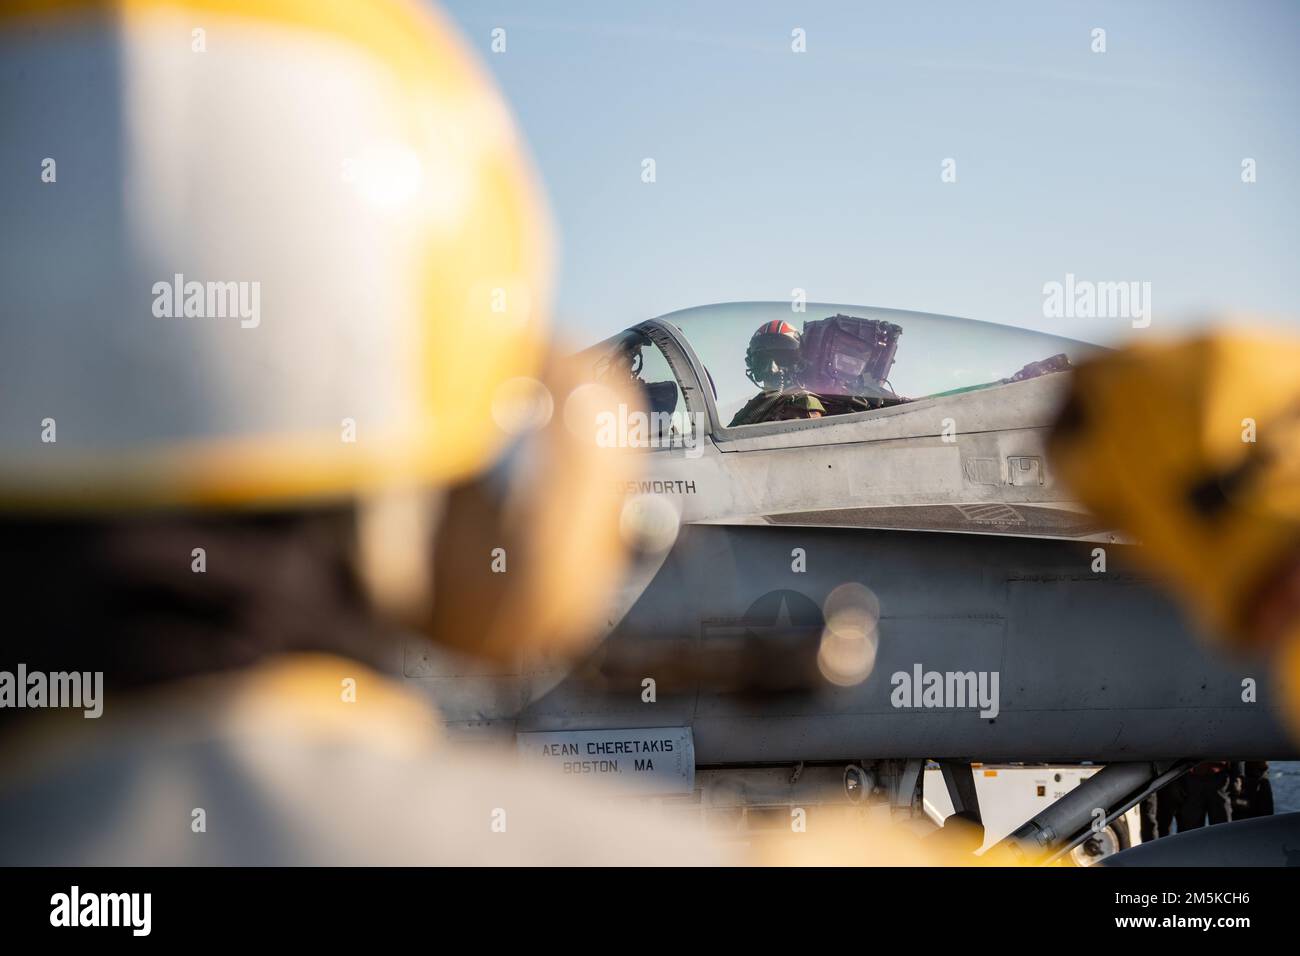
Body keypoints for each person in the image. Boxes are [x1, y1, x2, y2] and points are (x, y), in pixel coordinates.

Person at [728, 320, 827, 426]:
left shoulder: (803, 404)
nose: (772, 368)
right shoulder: (756, 404)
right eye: (763, 359)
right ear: (752, 362)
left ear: (798, 362)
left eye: (782, 358)